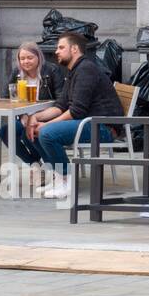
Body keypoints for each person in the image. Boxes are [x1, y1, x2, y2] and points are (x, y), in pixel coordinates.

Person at [21, 32, 125, 200]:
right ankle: (58, 177)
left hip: (103, 127)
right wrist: (36, 118)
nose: (56, 52)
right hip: (88, 123)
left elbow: (76, 111)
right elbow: (61, 106)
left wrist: (46, 125)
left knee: (47, 133)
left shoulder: (86, 69)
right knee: (32, 130)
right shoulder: (74, 71)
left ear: (75, 49)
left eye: (61, 47)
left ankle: (66, 181)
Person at [0, 42, 67, 168]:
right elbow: (6, 96)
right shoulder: (17, 73)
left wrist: (38, 117)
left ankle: (51, 168)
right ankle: (34, 165)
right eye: (22, 58)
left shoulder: (51, 70)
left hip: (47, 117)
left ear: (38, 57)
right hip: (24, 117)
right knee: (5, 131)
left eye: (30, 58)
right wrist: (22, 114)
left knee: (28, 132)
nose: (26, 62)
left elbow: (61, 100)